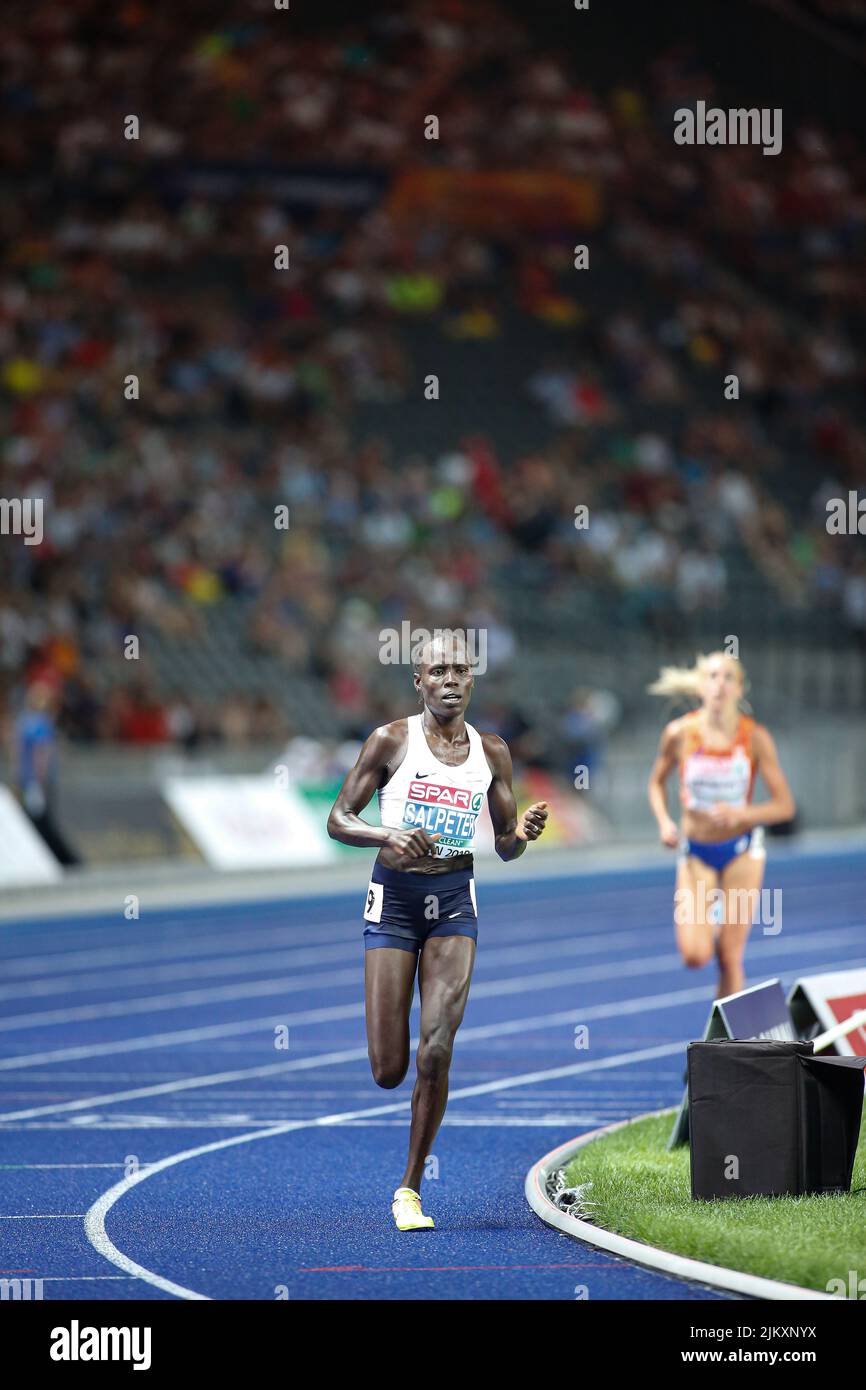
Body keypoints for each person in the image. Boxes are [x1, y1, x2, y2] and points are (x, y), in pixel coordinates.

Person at [327, 631, 548, 1230]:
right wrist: (387, 834)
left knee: (438, 1049)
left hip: (454, 901)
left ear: (473, 680)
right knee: (388, 1069)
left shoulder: (492, 751)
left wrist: (521, 833)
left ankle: (409, 1189)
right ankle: (401, 1121)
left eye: (461, 670)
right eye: (438, 671)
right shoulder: (390, 741)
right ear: (418, 682)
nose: (451, 680)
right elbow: (339, 819)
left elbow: (504, 846)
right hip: (395, 900)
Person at [647, 651, 794, 998]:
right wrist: (664, 822)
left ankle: (724, 1049)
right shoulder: (679, 733)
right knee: (696, 954)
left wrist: (743, 815)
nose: (720, 684)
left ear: (740, 689)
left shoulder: (755, 737)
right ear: (701, 686)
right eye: (713, 676)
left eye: (729, 677)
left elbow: (784, 806)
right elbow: (656, 782)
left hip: (742, 851)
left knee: (729, 956)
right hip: (696, 852)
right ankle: (709, 912)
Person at [11, 680, 81, 866]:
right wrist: (38, 781)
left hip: (30, 780)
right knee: (41, 821)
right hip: (36, 781)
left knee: (40, 821)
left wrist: (27, 779)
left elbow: (20, 752)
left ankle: (63, 859)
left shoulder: (25, 721)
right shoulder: (39, 722)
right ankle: (64, 859)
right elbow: (40, 754)